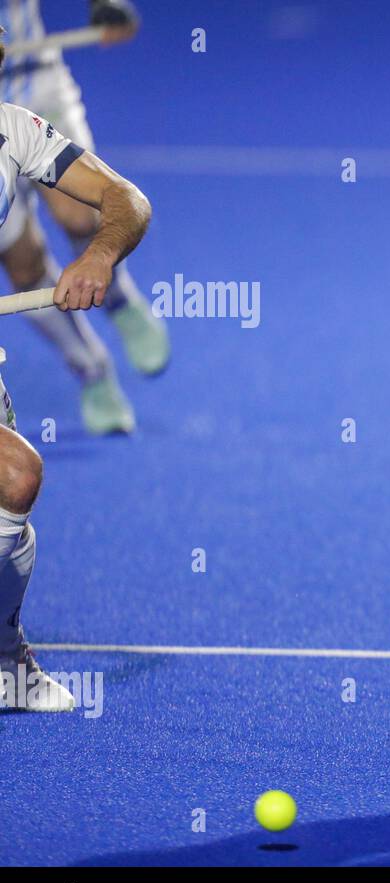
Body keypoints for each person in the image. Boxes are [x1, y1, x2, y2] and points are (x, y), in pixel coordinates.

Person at [0, 39, 151, 710]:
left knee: (16, 478)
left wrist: (98, 253)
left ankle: (5, 659)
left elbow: (127, 199)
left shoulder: (14, 130)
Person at [0, 0, 165, 435]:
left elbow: (125, 199)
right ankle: (91, 366)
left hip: (34, 81)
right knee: (25, 265)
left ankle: (116, 295)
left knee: (81, 216)